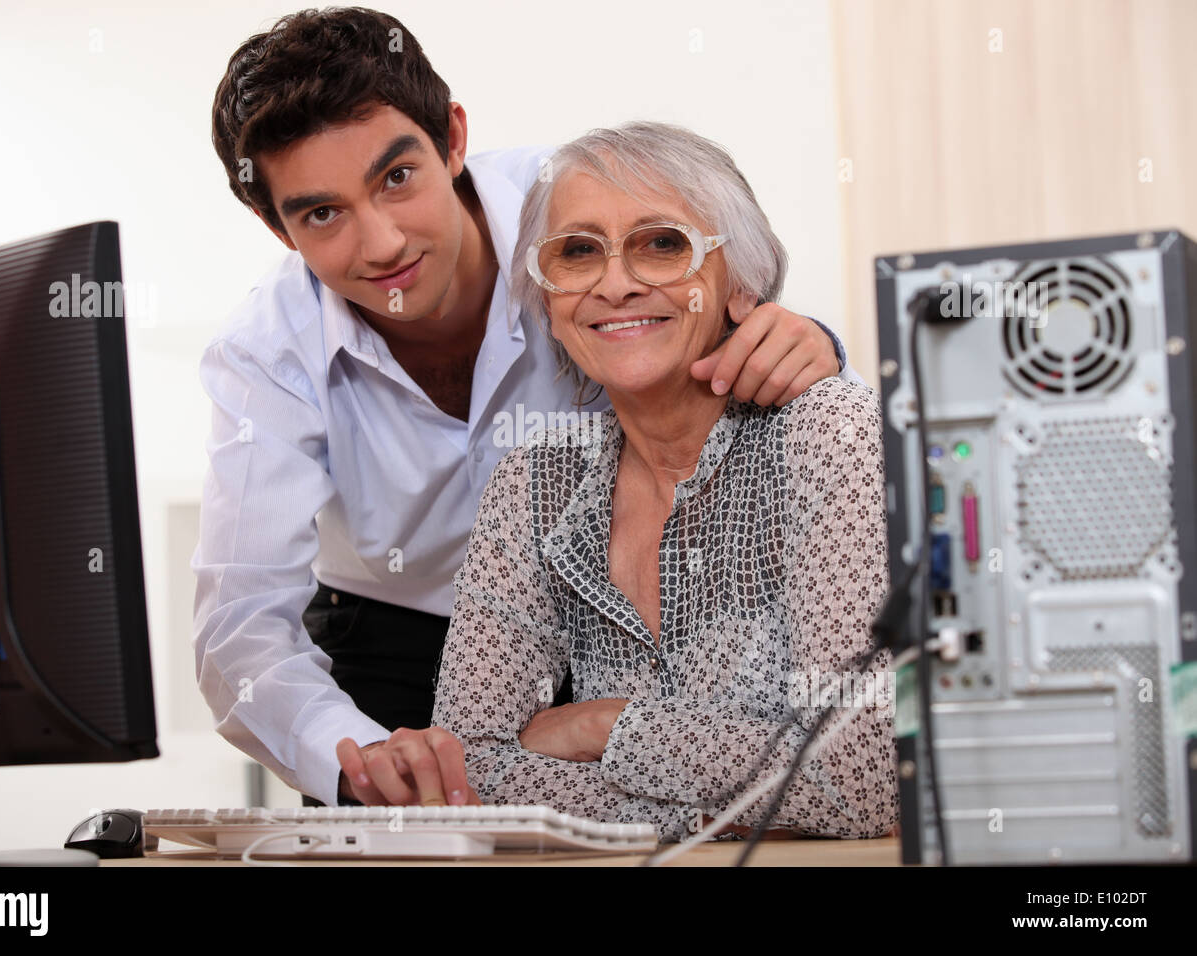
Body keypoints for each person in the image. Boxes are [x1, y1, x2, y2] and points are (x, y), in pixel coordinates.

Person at [193, 6, 861, 810]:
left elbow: (720, 290)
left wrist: (810, 345)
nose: (381, 245)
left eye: (396, 178)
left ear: (452, 139)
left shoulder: (579, 219)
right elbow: (241, 623)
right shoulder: (263, 353)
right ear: (276, 227)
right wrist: (366, 759)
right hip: (389, 636)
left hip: (600, 623)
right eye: (321, 213)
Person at [431, 121, 898, 842]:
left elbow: (863, 778)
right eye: (578, 252)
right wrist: (722, 810)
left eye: (662, 243)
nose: (616, 284)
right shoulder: (536, 479)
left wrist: (602, 726)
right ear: (549, 302)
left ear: (740, 285)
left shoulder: (829, 435)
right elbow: (467, 775)